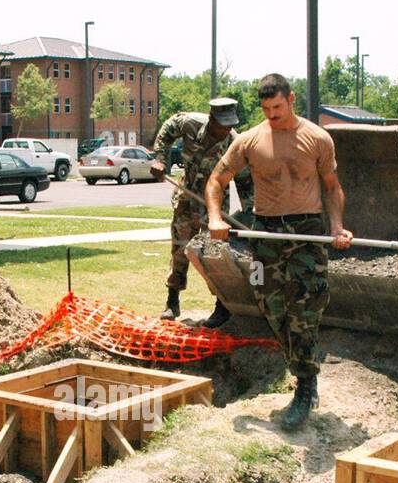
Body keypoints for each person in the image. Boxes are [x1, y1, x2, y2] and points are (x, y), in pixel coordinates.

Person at [205, 74, 353, 431]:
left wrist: (336, 227)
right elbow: (215, 181)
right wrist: (214, 217)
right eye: (266, 109)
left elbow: (332, 188)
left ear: (291, 99)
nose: (272, 115)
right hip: (266, 231)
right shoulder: (251, 140)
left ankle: (304, 384)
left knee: (305, 309)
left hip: (306, 233)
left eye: (278, 107)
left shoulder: (318, 138)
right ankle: (302, 368)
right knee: (271, 307)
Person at [149, 97, 254, 326]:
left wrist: (249, 213)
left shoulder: (234, 144)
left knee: (214, 253)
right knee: (179, 248)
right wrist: (159, 159)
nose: (227, 129)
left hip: (214, 207)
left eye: (230, 124)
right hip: (187, 196)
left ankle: (222, 306)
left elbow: (245, 182)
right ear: (211, 119)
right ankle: (172, 301)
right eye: (222, 124)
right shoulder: (190, 124)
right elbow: (167, 129)